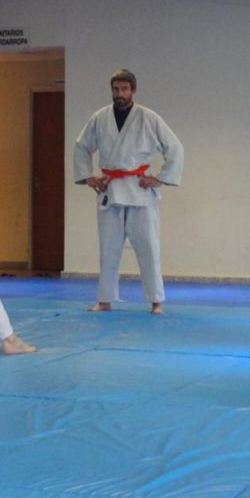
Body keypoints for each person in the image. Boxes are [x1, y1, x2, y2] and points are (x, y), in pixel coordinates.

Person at [73, 69, 183, 314]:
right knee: (108, 249)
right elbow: (82, 147)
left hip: (139, 190)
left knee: (149, 247)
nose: (119, 94)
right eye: (115, 89)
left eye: (124, 89)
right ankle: (104, 299)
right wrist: (88, 176)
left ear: (133, 90)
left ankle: (156, 301)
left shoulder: (148, 118)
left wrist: (159, 178)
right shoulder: (100, 118)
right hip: (110, 189)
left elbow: (174, 148)